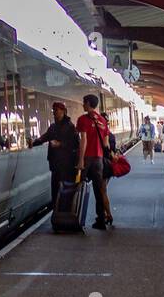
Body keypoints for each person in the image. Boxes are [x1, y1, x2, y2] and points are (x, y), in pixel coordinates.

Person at [75, 94, 115, 230]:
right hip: (99, 160)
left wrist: (80, 161)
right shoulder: (103, 121)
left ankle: (75, 219)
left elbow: (83, 141)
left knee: (77, 187)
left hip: (87, 159)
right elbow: (106, 143)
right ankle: (101, 220)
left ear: (88, 103)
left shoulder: (83, 119)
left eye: (83, 102)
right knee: (99, 191)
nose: (82, 104)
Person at [31, 102, 80, 207]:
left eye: (56, 111)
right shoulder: (52, 127)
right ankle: (56, 213)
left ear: (63, 111)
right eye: (53, 111)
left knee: (65, 190)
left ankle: (65, 212)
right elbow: (44, 138)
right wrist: (33, 143)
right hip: (55, 165)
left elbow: (76, 144)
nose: (54, 113)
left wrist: (60, 144)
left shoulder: (70, 127)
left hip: (67, 165)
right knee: (55, 189)